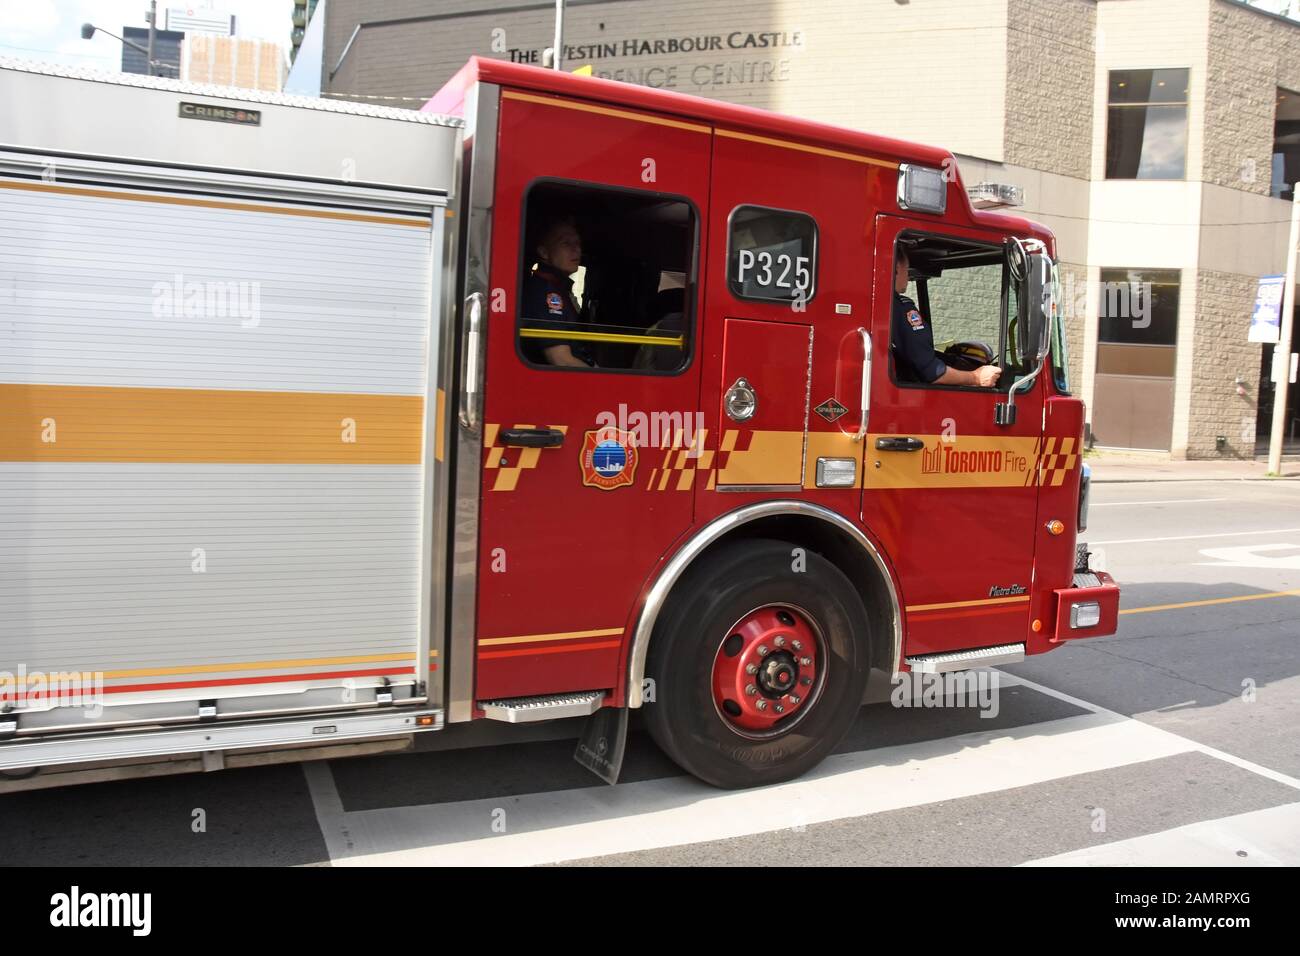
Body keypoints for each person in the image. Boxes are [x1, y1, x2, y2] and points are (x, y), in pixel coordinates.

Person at [892, 245, 1001, 388]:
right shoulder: (902, 309)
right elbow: (932, 372)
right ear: (896, 267)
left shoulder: (884, 306)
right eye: (906, 269)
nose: (908, 275)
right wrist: (976, 377)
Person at [521, 216, 595, 367]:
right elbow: (561, 359)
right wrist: (602, 380)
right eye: (566, 243)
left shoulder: (558, 288)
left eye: (577, 243)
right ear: (544, 252)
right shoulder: (546, 292)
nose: (576, 249)